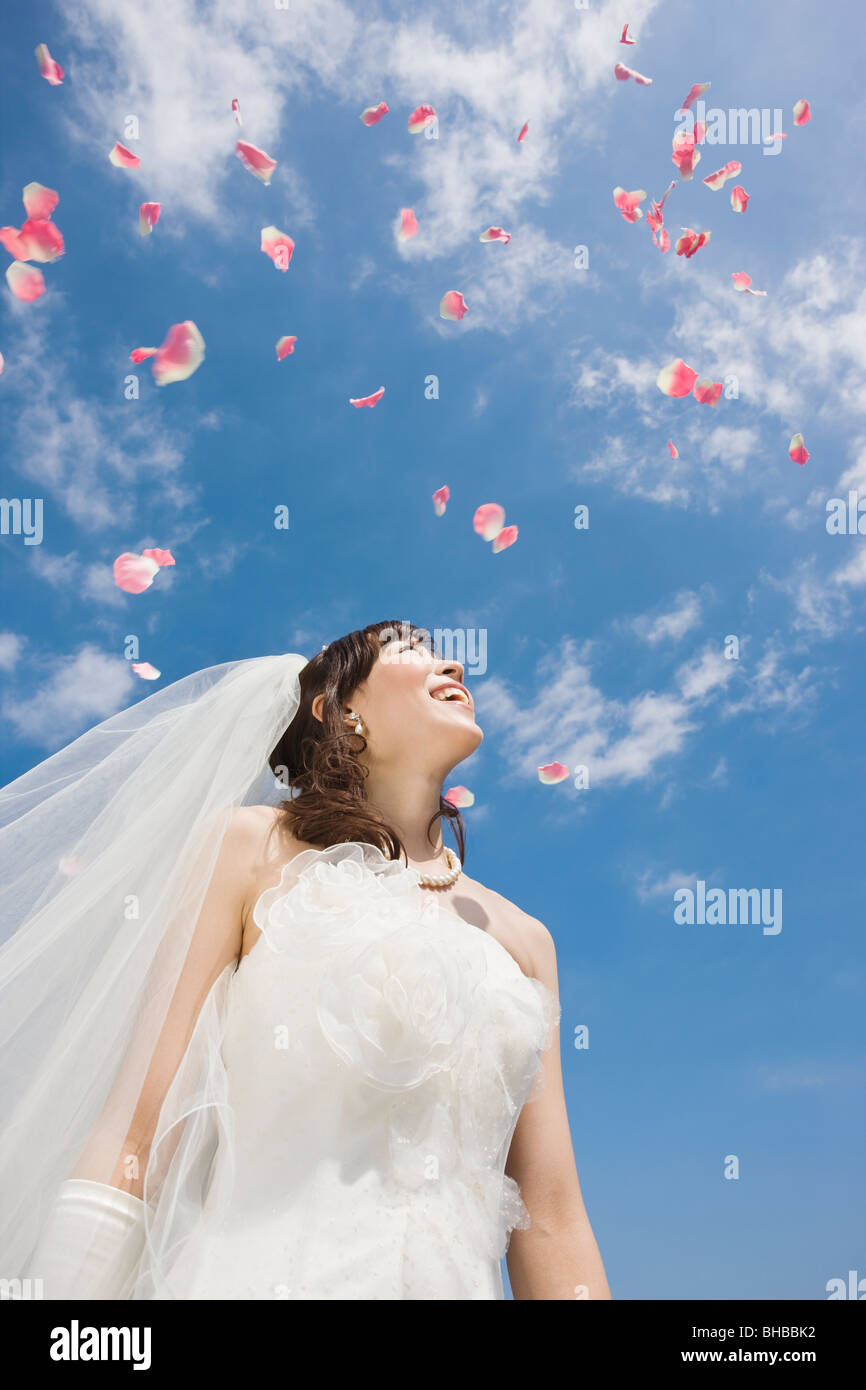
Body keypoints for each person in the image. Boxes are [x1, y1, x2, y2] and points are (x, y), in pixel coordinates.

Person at [0, 620, 610, 1300]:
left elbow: (551, 1221)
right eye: (414, 651)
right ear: (339, 710)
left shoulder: (526, 939)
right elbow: (136, 1133)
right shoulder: (250, 848)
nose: (456, 668)